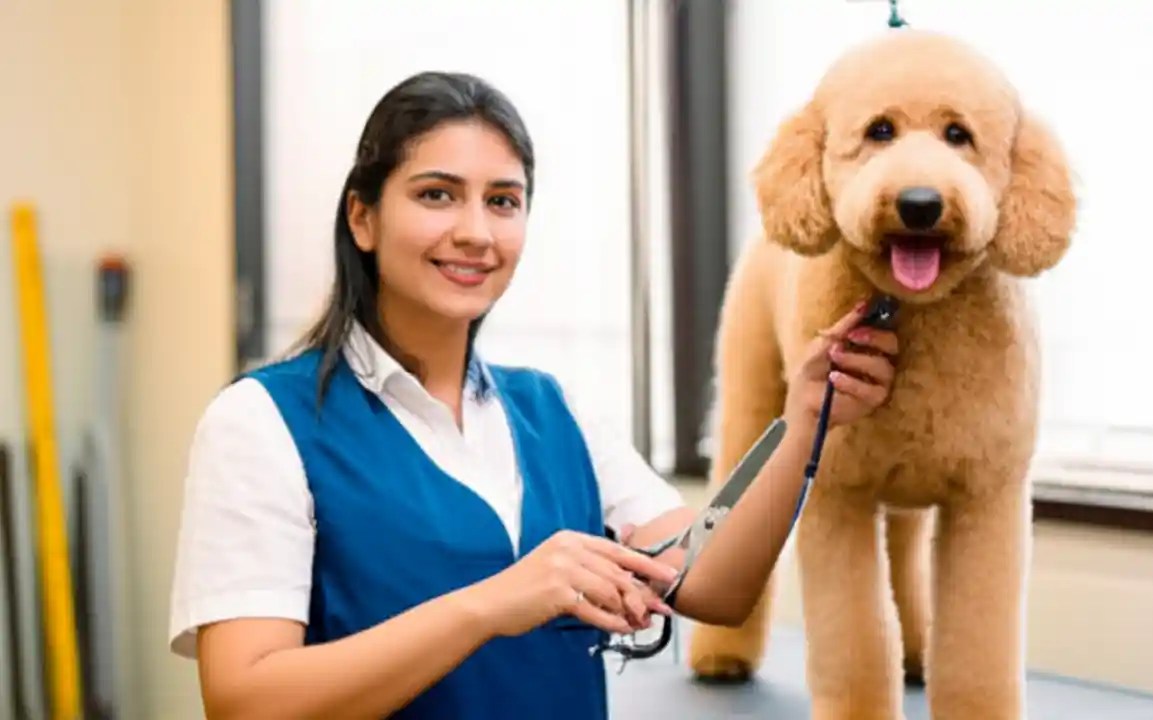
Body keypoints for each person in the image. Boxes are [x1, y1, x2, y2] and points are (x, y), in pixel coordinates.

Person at [167, 71, 899, 720]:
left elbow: (712, 588)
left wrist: (806, 425)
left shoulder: (557, 413)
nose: (476, 233)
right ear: (362, 217)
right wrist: (493, 604)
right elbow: (247, 700)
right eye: (436, 195)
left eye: (504, 201)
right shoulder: (262, 423)